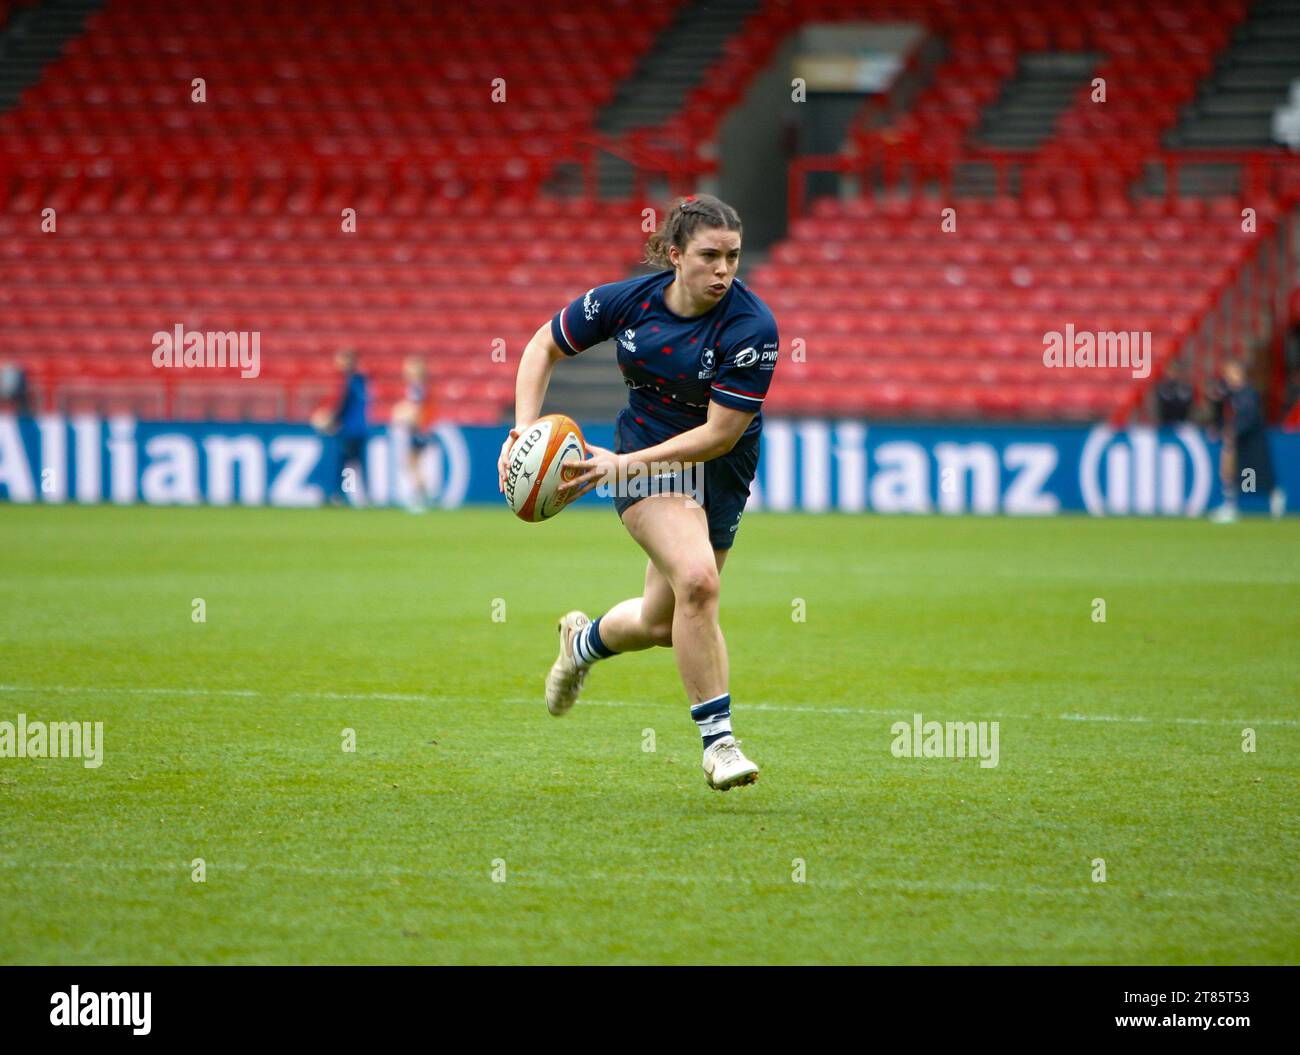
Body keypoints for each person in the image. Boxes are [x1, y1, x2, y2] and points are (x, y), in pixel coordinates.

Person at [496, 194, 779, 791]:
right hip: (649, 466)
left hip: (716, 467)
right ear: (675, 255)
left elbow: (719, 436)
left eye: (733, 256)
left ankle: (583, 641)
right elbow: (542, 344)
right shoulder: (626, 302)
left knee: (660, 622)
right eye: (709, 256)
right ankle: (719, 744)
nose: (724, 270)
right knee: (700, 581)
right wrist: (524, 430)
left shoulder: (752, 327)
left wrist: (623, 463)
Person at [1209, 360, 1286, 522]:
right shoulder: (1229, 395)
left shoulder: (1249, 394)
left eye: (1232, 372)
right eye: (1227, 373)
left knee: (1256, 474)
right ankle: (1230, 506)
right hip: (1237, 441)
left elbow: (1249, 417)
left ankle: (1274, 496)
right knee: (1230, 472)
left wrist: (1234, 431)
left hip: (1251, 442)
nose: (1228, 377)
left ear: (1240, 374)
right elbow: (1222, 414)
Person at [392, 357, 436, 512]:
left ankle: (421, 498)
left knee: (412, 464)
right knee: (414, 464)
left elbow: (415, 410)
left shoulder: (416, 388)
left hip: (418, 431)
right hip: (420, 430)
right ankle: (424, 496)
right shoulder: (420, 388)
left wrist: (400, 414)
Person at [327, 349, 369, 506]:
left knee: (346, 464)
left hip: (350, 430)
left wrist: (332, 421)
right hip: (361, 429)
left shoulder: (350, 382)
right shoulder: (361, 380)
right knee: (358, 464)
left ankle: (344, 496)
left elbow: (343, 406)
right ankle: (362, 495)